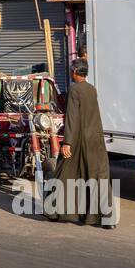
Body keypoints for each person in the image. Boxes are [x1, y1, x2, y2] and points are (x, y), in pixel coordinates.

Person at [46, 59, 116, 228]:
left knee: (64, 173)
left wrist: (67, 142)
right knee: (98, 177)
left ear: (76, 71)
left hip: (79, 139)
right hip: (96, 139)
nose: (70, 72)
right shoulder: (92, 89)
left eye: (71, 70)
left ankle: (54, 211)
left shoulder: (74, 90)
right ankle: (108, 219)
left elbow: (72, 117)